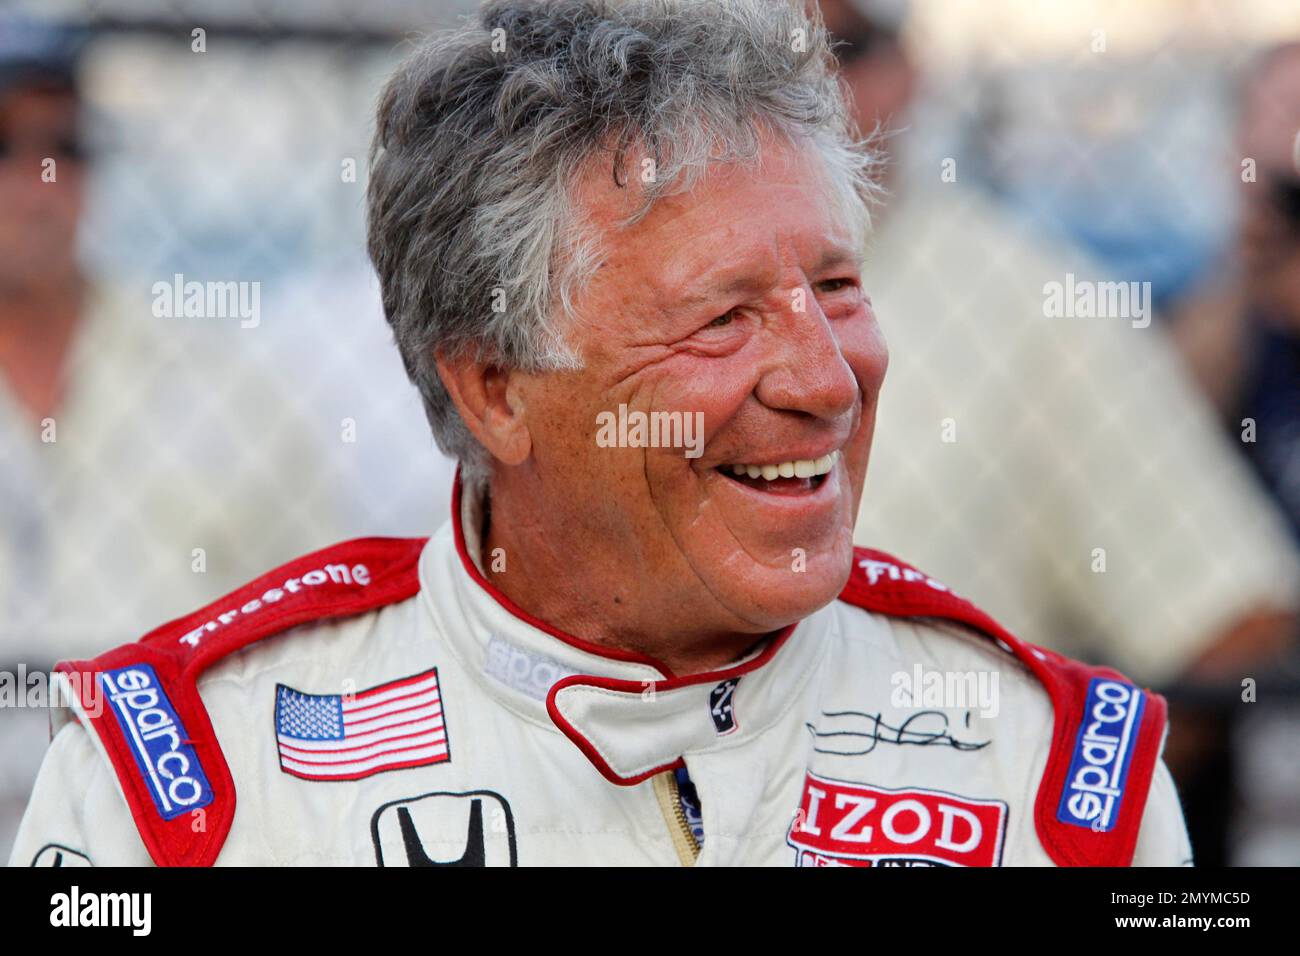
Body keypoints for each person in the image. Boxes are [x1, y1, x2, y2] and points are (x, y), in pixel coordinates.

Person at [10, 0, 1190, 867]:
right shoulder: (177, 791)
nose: (828, 380)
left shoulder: (1062, 781)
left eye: (836, 288)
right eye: (721, 317)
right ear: (495, 390)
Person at [817, 0, 1300, 688]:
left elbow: (1228, 616)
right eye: (762, 50)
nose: (801, 87)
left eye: (836, 50)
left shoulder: (1029, 297)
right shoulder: (629, 277)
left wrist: (1058, 790)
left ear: (909, 67)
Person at [0, 17, 345, 859]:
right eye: (3, 145)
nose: (38, 180)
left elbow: (323, 656)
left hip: (160, 843)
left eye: (66, 144)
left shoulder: (216, 388)